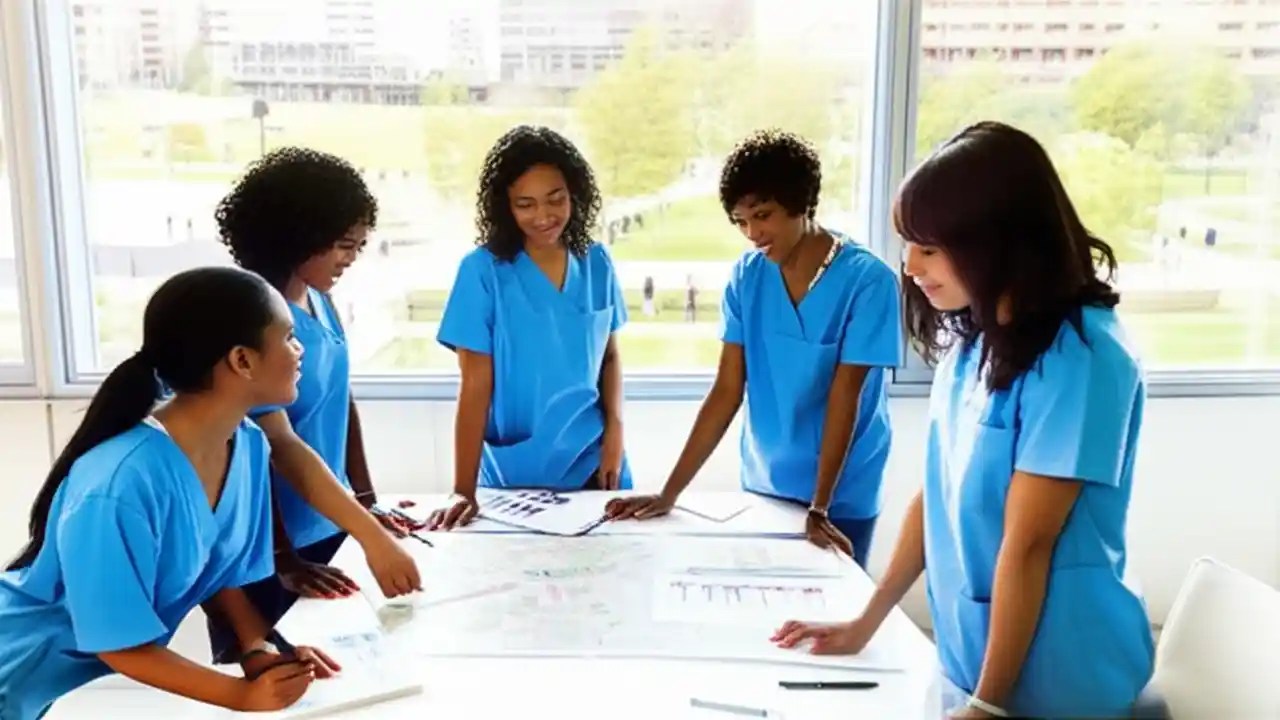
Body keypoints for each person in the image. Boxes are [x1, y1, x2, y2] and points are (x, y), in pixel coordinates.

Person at [771, 122, 1154, 719]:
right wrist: (865, 622)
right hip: (971, 662)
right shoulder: (975, 343)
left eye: (929, 247)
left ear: (998, 240)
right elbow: (937, 499)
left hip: (1060, 680)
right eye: (908, 244)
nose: (909, 266)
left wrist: (988, 706)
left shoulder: (1085, 357)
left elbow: (1028, 545)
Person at [0, 267, 340, 718]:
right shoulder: (117, 483)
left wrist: (259, 650)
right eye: (289, 338)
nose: (300, 352)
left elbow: (218, 575)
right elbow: (120, 646)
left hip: (40, 689)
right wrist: (240, 696)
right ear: (242, 360)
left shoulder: (247, 443)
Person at [605, 129, 901, 568]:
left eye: (763, 215)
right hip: (767, 483)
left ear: (801, 203)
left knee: (830, 621)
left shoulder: (868, 282)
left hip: (843, 490)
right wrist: (670, 493)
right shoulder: (748, 277)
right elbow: (726, 390)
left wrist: (821, 506)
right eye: (741, 221)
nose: (752, 233)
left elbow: (846, 397)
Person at [211, 147, 421, 664]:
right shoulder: (253, 312)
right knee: (275, 678)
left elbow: (340, 401)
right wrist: (284, 554)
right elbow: (270, 450)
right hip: (270, 553)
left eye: (359, 245)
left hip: (328, 523)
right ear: (299, 237)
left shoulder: (320, 299)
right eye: (342, 245)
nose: (350, 258)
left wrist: (365, 502)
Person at [429, 125, 630, 530]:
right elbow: (474, 386)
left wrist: (615, 434)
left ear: (574, 192)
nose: (543, 216)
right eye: (526, 204)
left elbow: (608, 356)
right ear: (506, 207)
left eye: (556, 199)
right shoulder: (482, 273)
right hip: (514, 473)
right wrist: (462, 491)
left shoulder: (597, 262)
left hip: (596, 464)